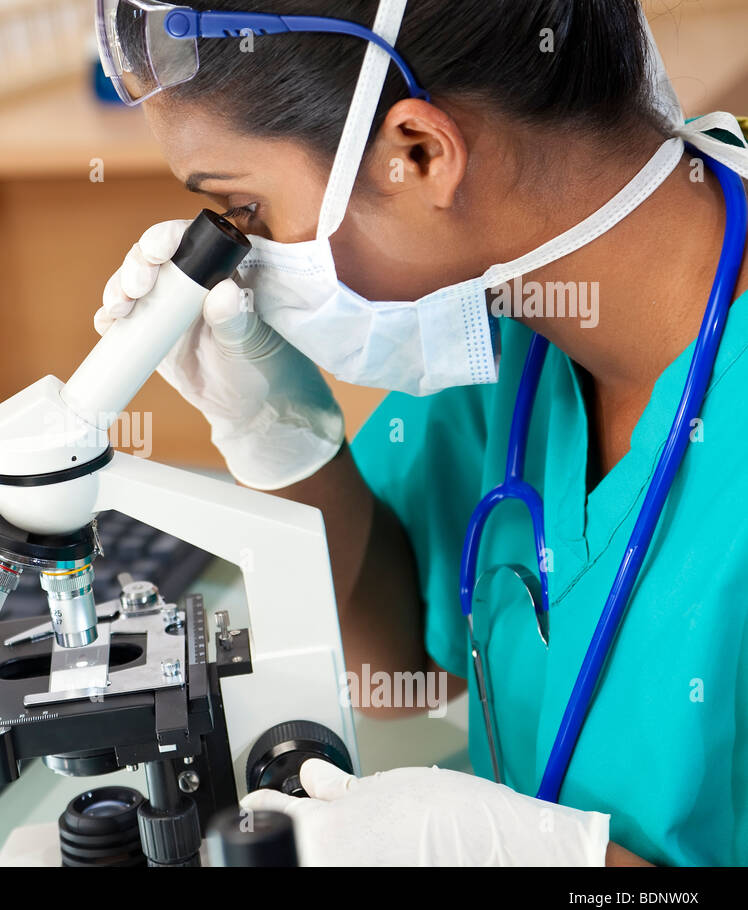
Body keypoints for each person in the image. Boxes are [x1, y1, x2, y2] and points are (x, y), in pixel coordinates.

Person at [93, 0, 748, 865]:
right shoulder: (521, 329)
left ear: (418, 153)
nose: (240, 258)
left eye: (245, 209)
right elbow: (395, 665)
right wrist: (278, 433)